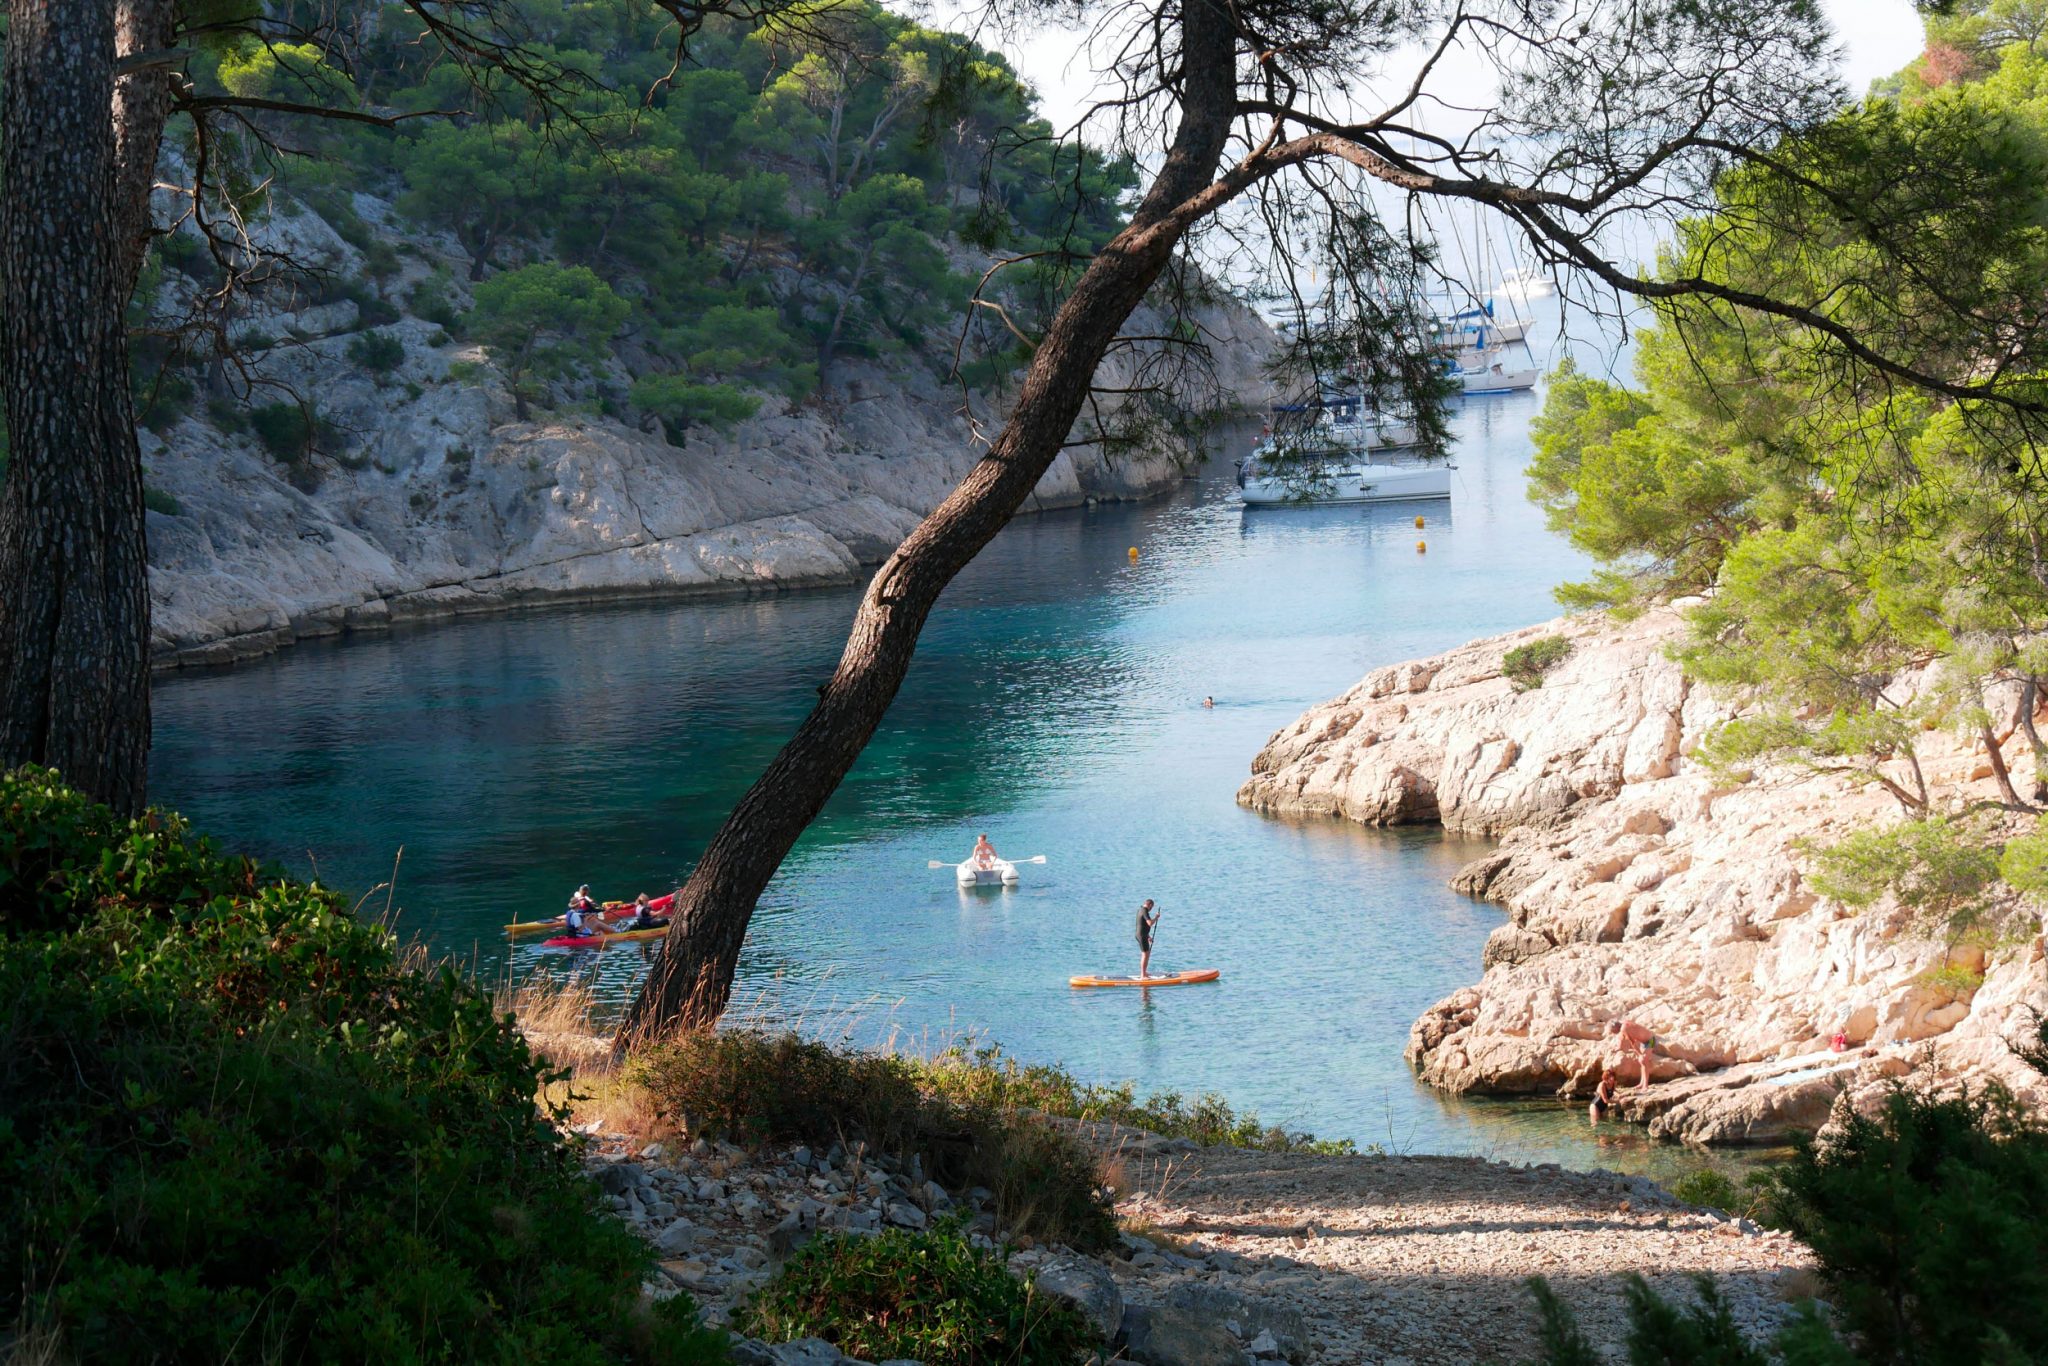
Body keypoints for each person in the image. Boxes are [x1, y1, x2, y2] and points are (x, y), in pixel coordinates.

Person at [1608, 1018, 1659, 1092]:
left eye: (1612, 1031)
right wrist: (1618, 1048)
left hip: (1651, 1040)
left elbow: (1633, 1043)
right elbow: (1621, 1038)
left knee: (1643, 1060)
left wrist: (1640, 1054)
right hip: (1645, 1042)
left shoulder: (1624, 1028)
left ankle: (1645, 1085)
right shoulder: (1623, 1024)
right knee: (1641, 1061)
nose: (1613, 1033)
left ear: (1614, 1027)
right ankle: (1641, 1083)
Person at [1135, 899, 1160, 979]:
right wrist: (1156, 917)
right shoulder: (1144, 911)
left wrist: (1148, 936)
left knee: (1147, 953)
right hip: (1142, 936)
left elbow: (1142, 925)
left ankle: (1144, 972)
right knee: (1145, 954)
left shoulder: (1140, 910)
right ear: (1149, 905)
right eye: (1151, 907)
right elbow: (1150, 923)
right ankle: (1143, 975)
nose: (1151, 909)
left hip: (1142, 935)